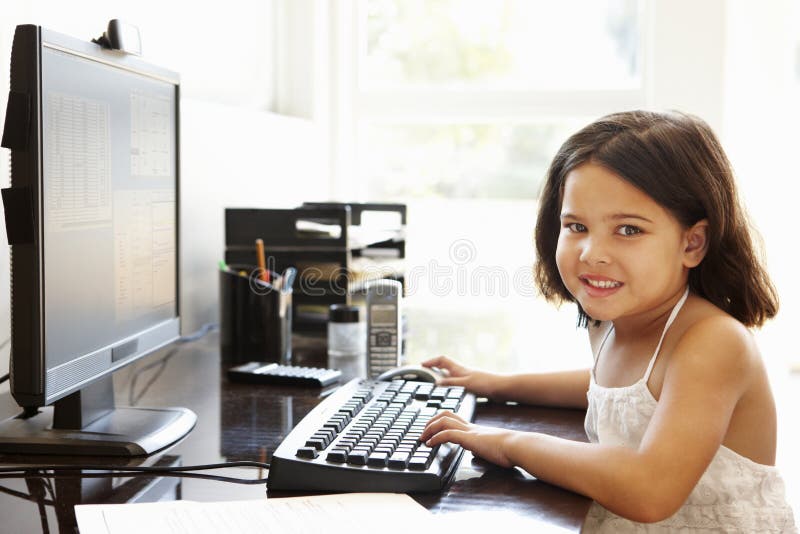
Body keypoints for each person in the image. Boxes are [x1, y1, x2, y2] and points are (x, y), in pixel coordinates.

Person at [419, 110, 797, 532]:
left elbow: (649, 490)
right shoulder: (613, 323)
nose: (592, 252)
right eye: (577, 226)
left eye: (629, 230)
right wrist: (496, 384)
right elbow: (611, 387)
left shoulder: (713, 342)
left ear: (692, 243)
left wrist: (510, 444)